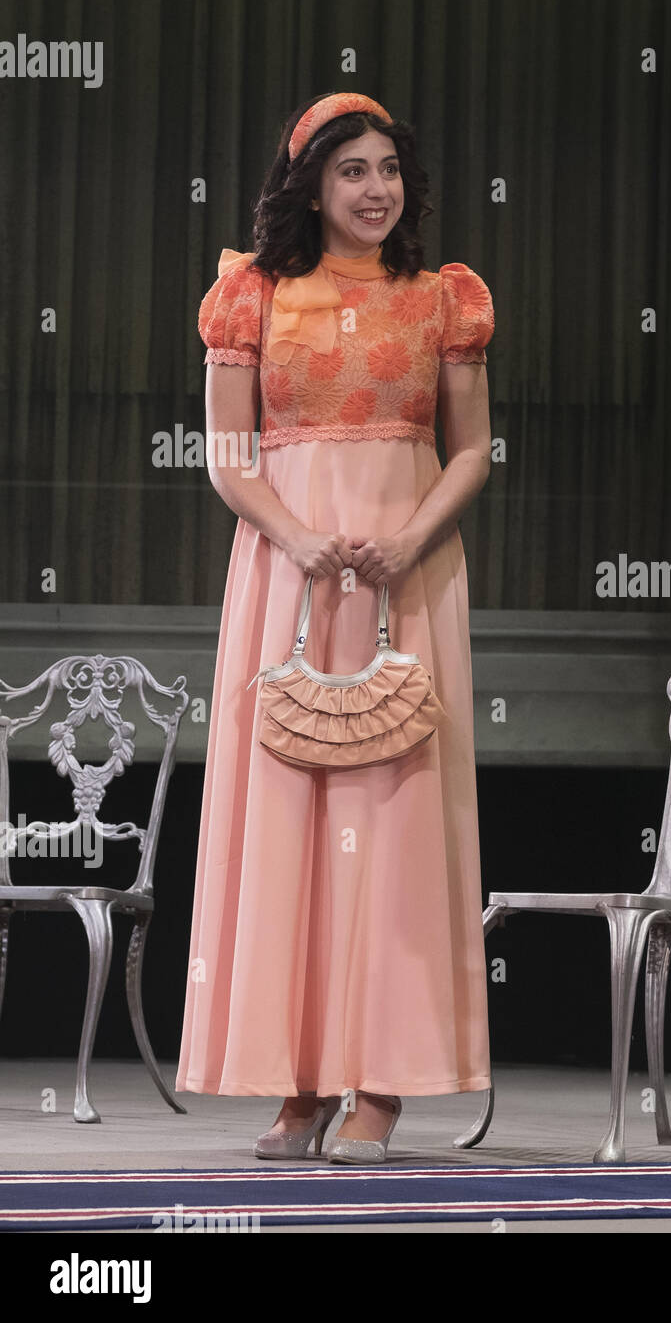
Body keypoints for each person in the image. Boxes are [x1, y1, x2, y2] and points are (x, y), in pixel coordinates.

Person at [175, 91, 495, 1165]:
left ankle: (385, 1081)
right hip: (289, 570)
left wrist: (406, 539)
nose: (375, 189)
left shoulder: (440, 298)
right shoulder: (251, 295)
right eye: (353, 170)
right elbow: (228, 456)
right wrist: (299, 540)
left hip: (405, 570)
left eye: (389, 171)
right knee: (290, 815)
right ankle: (299, 1080)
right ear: (310, 183)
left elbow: (470, 450)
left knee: (393, 813)